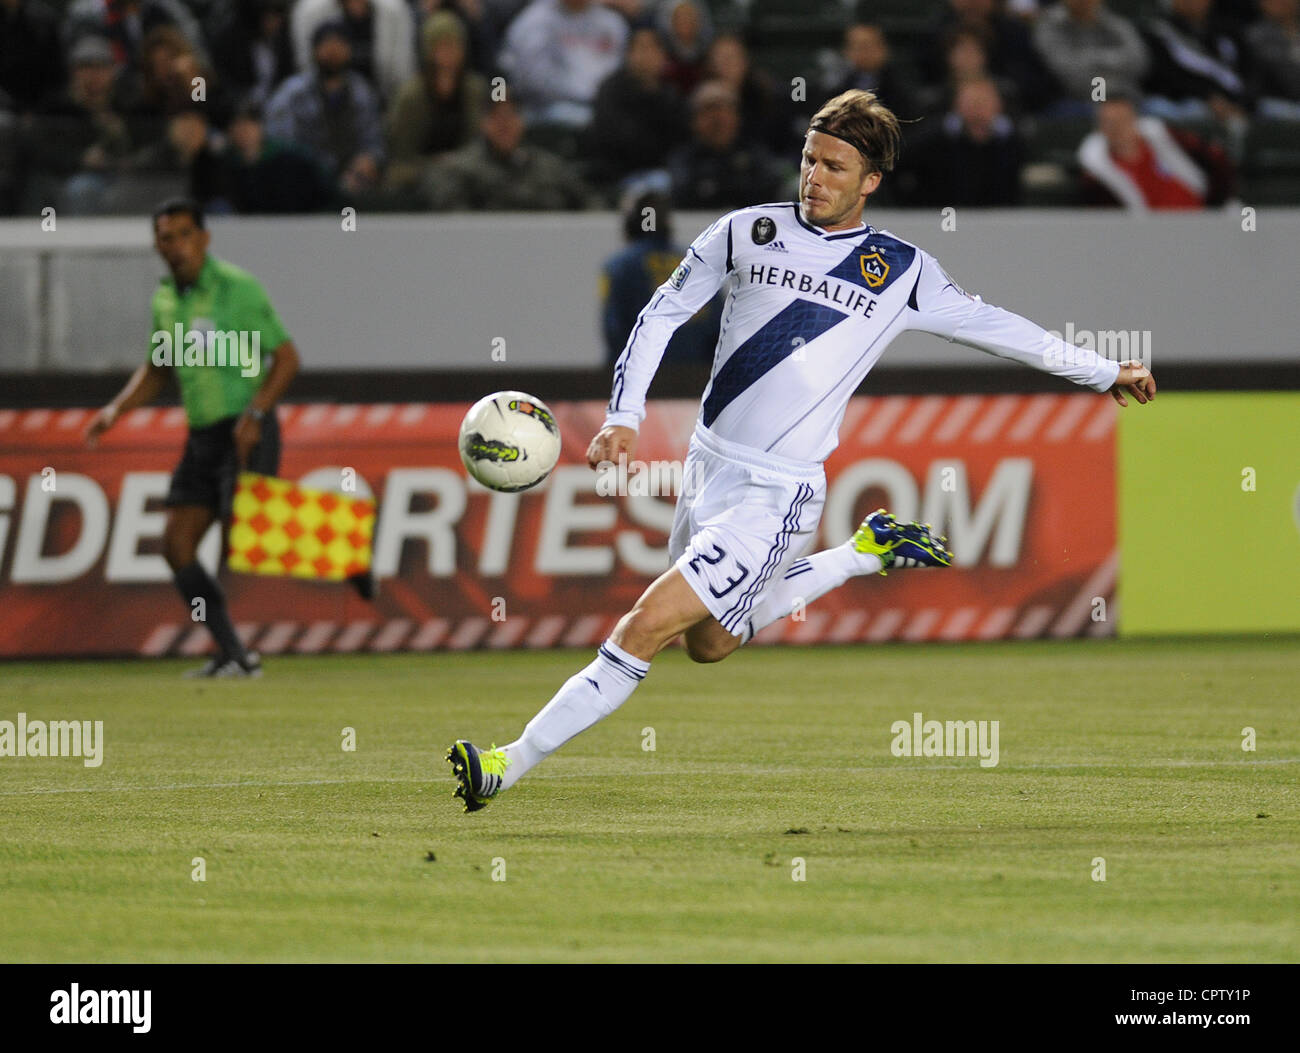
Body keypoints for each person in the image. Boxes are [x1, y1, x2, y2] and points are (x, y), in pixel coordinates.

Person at [446, 88, 1157, 811]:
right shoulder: (744, 231)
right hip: (707, 467)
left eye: (835, 167)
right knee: (709, 645)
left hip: (775, 493)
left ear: (870, 182)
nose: (815, 177)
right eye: (809, 160)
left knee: (647, 626)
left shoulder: (900, 269)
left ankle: (504, 762)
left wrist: (1104, 370)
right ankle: (863, 552)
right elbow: (660, 312)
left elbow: (998, 327)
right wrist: (623, 415)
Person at [83, 199, 302, 678]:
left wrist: (257, 412)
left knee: (241, 537)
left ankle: (342, 548)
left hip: (246, 429)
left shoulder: (237, 289)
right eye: (167, 237)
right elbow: (159, 368)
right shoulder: (165, 299)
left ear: (204, 238)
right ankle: (235, 654)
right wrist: (114, 410)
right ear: (156, 245)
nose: (176, 245)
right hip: (203, 437)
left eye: (185, 234)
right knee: (177, 546)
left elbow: (286, 358)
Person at [264, 19, 385, 193]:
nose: (333, 51)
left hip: (353, 182)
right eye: (327, 44)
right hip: (304, 181)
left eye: (339, 44)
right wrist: (315, 170)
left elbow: (374, 141)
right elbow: (280, 143)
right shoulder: (292, 93)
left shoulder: (362, 91)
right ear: (314, 50)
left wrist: (368, 160)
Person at [600, 189, 718, 365]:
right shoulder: (698, 263)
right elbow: (718, 324)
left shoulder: (619, 266)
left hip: (641, 374)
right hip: (697, 375)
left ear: (629, 224)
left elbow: (614, 329)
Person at [421, 91, 592, 209]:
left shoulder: (549, 167)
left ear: (521, 122)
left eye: (510, 115)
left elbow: (589, 202)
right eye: (497, 116)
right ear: (484, 123)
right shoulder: (458, 169)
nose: (504, 124)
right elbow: (452, 216)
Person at [1078, 94, 1235, 208]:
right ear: (1101, 128)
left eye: (1121, 121)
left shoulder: (1169, 141)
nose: (1117, 129)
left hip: (1198, 219)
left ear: (1133, 120)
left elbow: (1217, 162)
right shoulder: (1099, 176)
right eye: (1109, 123)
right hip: (1151, 237)